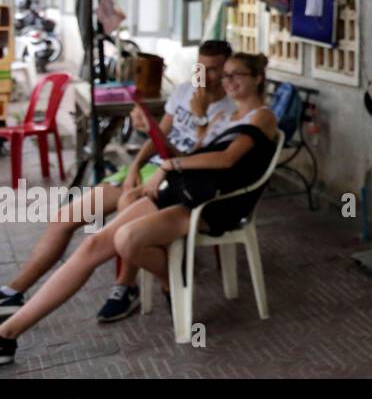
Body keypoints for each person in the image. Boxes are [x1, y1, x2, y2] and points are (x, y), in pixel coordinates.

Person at [0, 52, 279, 367]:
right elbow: (193, 154)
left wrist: (170, 165)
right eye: (224, 75)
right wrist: (168, 133)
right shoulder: (218, 117)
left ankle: (171, 280)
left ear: (257, 77)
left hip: (209, 205)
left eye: (235, 74)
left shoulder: (262, 116)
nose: (227, 81)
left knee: (127, 239)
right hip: (181, 191)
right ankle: (9, 332)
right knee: (93, 243)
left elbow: (226, 160)